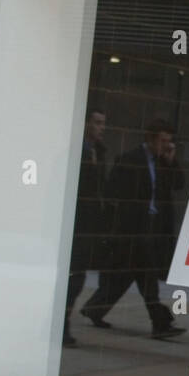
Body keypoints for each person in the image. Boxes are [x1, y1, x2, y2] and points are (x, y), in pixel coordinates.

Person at [81, 118, 186, 339]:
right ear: (151, 138)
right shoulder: (130, 159)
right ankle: (161, 324)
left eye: (169, 141)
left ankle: (94, 309)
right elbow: (112, 190)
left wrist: (171, 161)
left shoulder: (163, 162)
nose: (166, 145)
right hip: (132, 229)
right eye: (163, 141)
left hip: (152, 229)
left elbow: (179, 184)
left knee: (127, 277)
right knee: (147, 278)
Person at [63, 109, 111, 348]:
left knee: (77, 277)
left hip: (88, 224)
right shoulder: (74, 149)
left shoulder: (99, 152)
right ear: (86, 124)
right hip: (73, 221)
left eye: (103, 123)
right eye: (97, 122)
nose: (101, 128)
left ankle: (63, 324)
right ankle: (61, 325)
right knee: (71, 278)